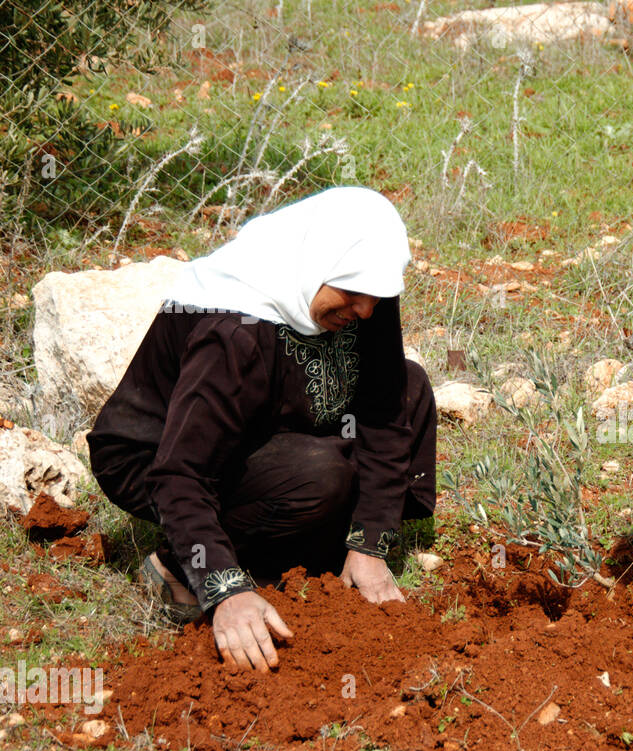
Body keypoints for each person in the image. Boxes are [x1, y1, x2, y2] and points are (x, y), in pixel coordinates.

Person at [88, 186, 437, 670]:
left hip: (267, 424)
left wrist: (369, 542)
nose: (364, 311)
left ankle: (318, 540)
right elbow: (180, 473)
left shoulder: (357, 292)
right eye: (353, 294)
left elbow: (381, 409)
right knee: (318, 477)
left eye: (375, 297)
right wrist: (224, 590)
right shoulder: (234, 328)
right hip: (159, 458)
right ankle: (179, 565)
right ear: (317, 262)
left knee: (409, 387)